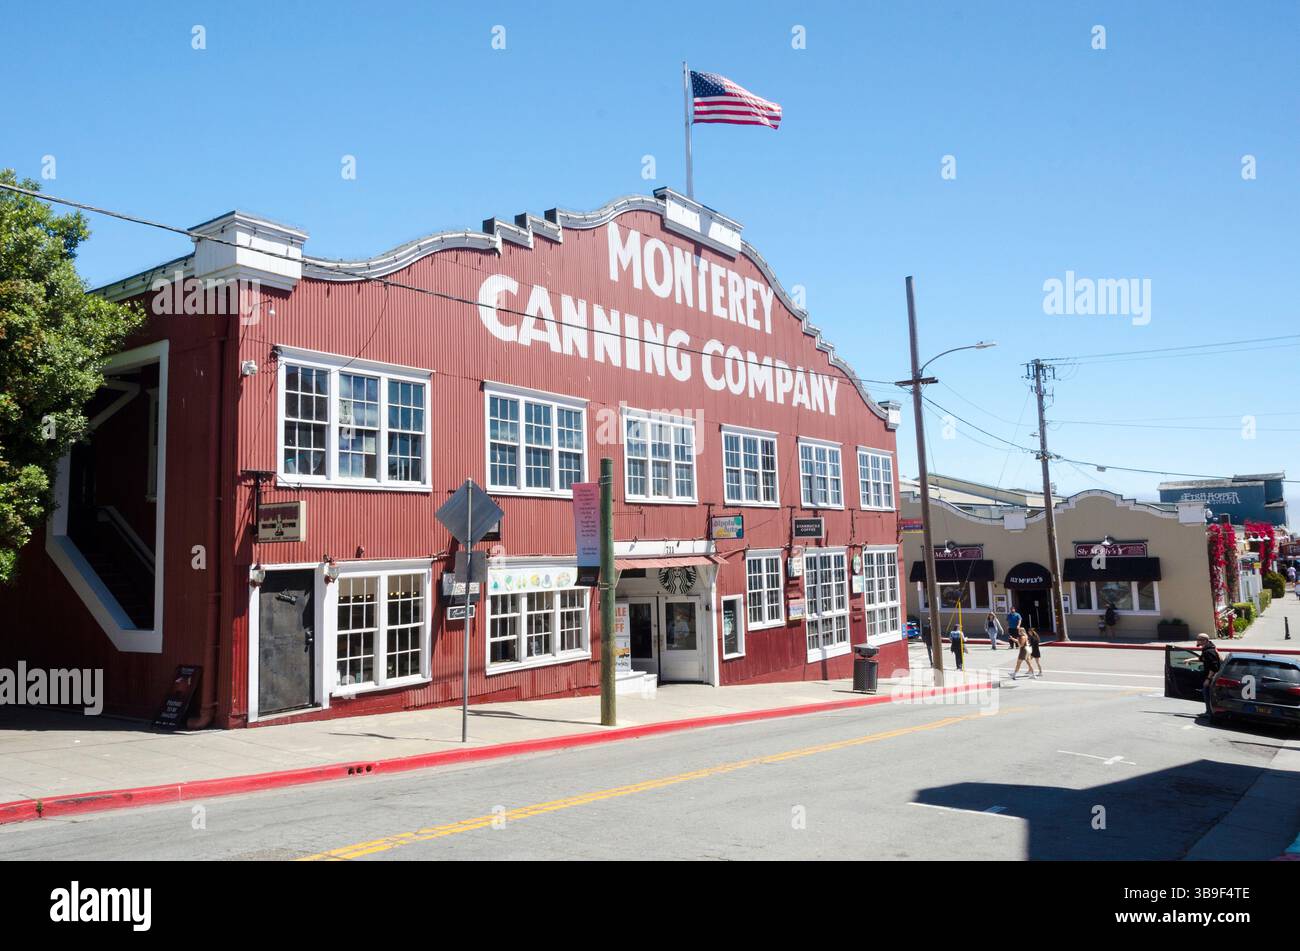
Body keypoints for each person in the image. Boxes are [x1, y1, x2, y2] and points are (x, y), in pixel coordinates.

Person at [1196, 632, 1222, 719]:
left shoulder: (1209, 651)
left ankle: (1209, 712)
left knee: (1207, 694)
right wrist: (1189, 660)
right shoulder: (1210, 648)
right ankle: (1209, 711)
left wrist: (1208, 679)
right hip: (1212, 676)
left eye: (1199, 640)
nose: (1197, 641)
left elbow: (1214, 667)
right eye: (1197, 639)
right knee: (1207, 694)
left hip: (1211, 677)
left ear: (1205, 640)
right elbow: (1202, 658)